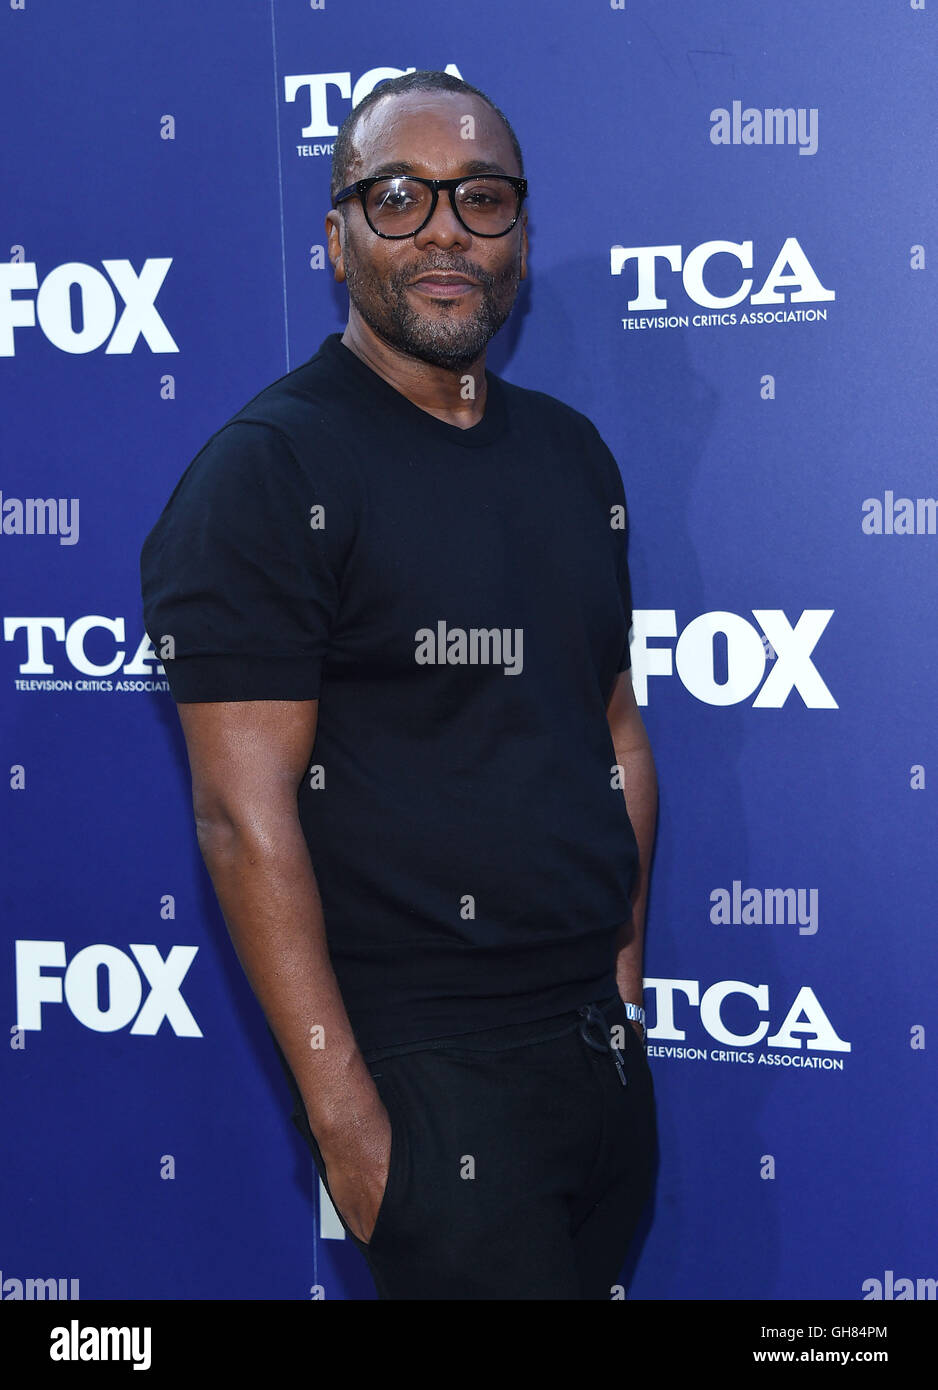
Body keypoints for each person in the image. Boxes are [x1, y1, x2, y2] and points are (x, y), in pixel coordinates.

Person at [140, 69, 657, 1300]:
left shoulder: (571, 453)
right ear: (335, 237)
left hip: (593, 1053)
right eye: (397, 197)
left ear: (520, 237)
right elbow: (237, 812)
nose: (443, 230)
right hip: (422, 1071)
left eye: (481, 200)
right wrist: (347, 1119)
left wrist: (624, 991)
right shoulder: (269, 472)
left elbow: (611, 731)